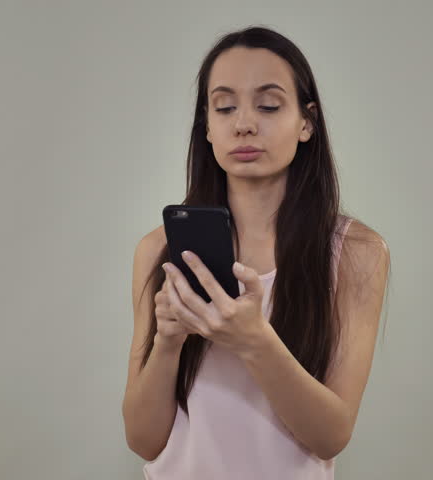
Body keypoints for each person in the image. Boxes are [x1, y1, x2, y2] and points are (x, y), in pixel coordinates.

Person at [122, 25, 390, 479]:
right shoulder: (158, 250)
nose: (244, 122)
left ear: (307, 122)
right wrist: (167, 342)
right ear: (207, 126)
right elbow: (144, 441)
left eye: (268, 105)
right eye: (224, 107)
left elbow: (331, 435)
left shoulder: (355, 252)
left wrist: (255, 341)